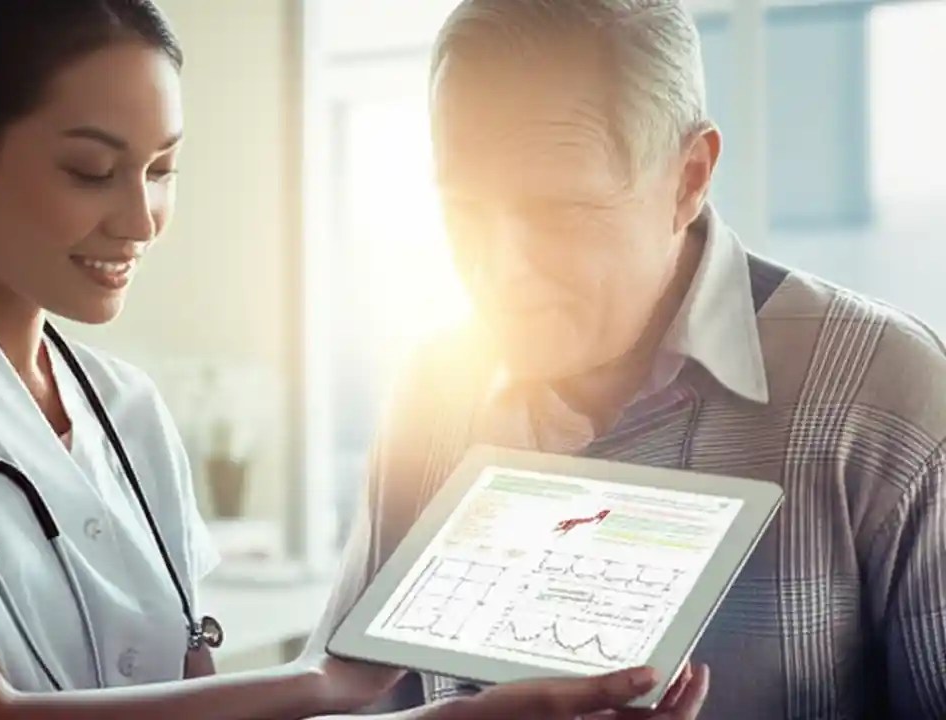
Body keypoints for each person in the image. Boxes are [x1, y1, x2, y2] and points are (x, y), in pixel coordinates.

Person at [0, 2, 704, 719]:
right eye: (90, 169)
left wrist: (460, 719)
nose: (141, 218)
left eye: (161, 170)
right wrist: (318, 681)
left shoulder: (128, 410)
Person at [309, 1, 946, 718]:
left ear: (689, 179)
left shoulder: (884, 398)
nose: (502, 271)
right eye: (466, 211)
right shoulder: (431, 394)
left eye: (560, 214)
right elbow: (352, 698)